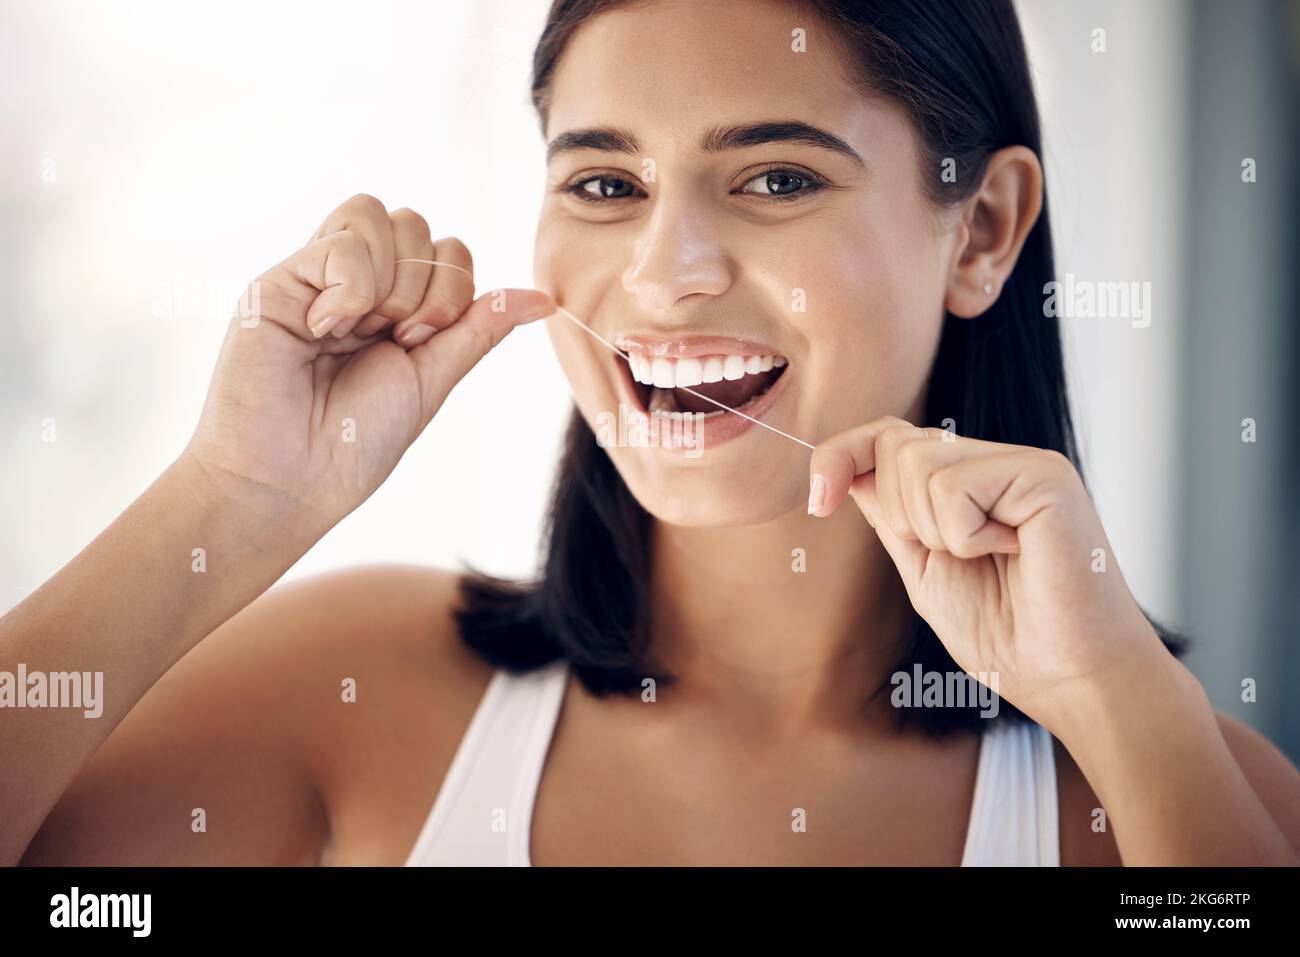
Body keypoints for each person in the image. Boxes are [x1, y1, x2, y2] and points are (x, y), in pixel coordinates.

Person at [5, 0, 1298, 867]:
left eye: (777, 178)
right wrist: (231, 495)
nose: (666, 270)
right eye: (605, 183)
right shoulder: (355, 692)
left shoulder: (1173, 784)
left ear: (983, 230)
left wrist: (1121, 705)